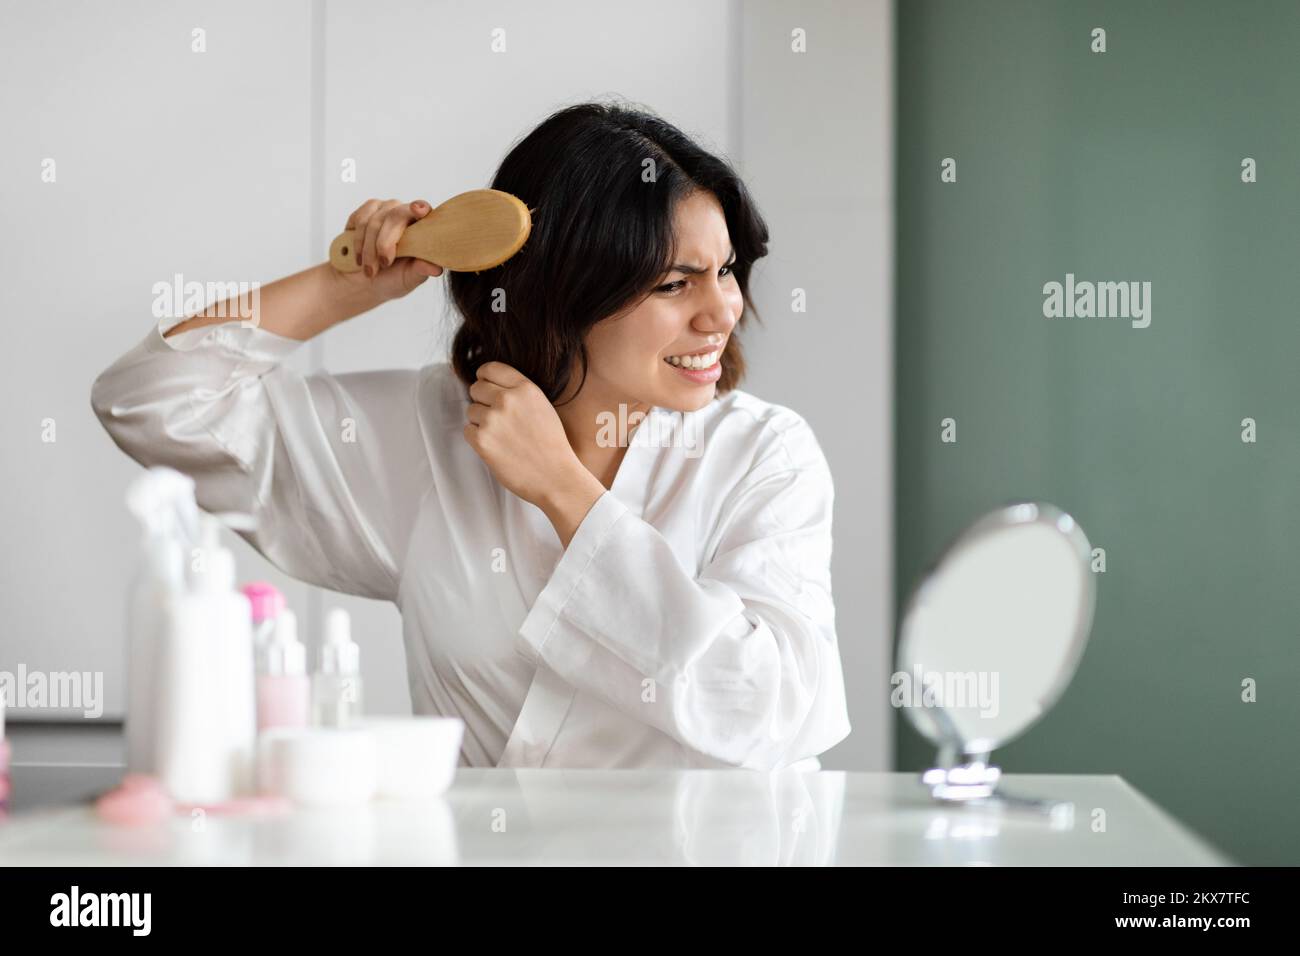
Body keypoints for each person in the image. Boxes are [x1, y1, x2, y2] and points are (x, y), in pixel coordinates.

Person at [91, 101, 851, 770]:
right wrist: (345, 284)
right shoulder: (427, 437)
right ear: (565, 295)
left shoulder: (763, 456)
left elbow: (774, 708)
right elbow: (149, 403)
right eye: (675, 283)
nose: (722, 312)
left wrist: (564, 492)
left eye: (726, 272)